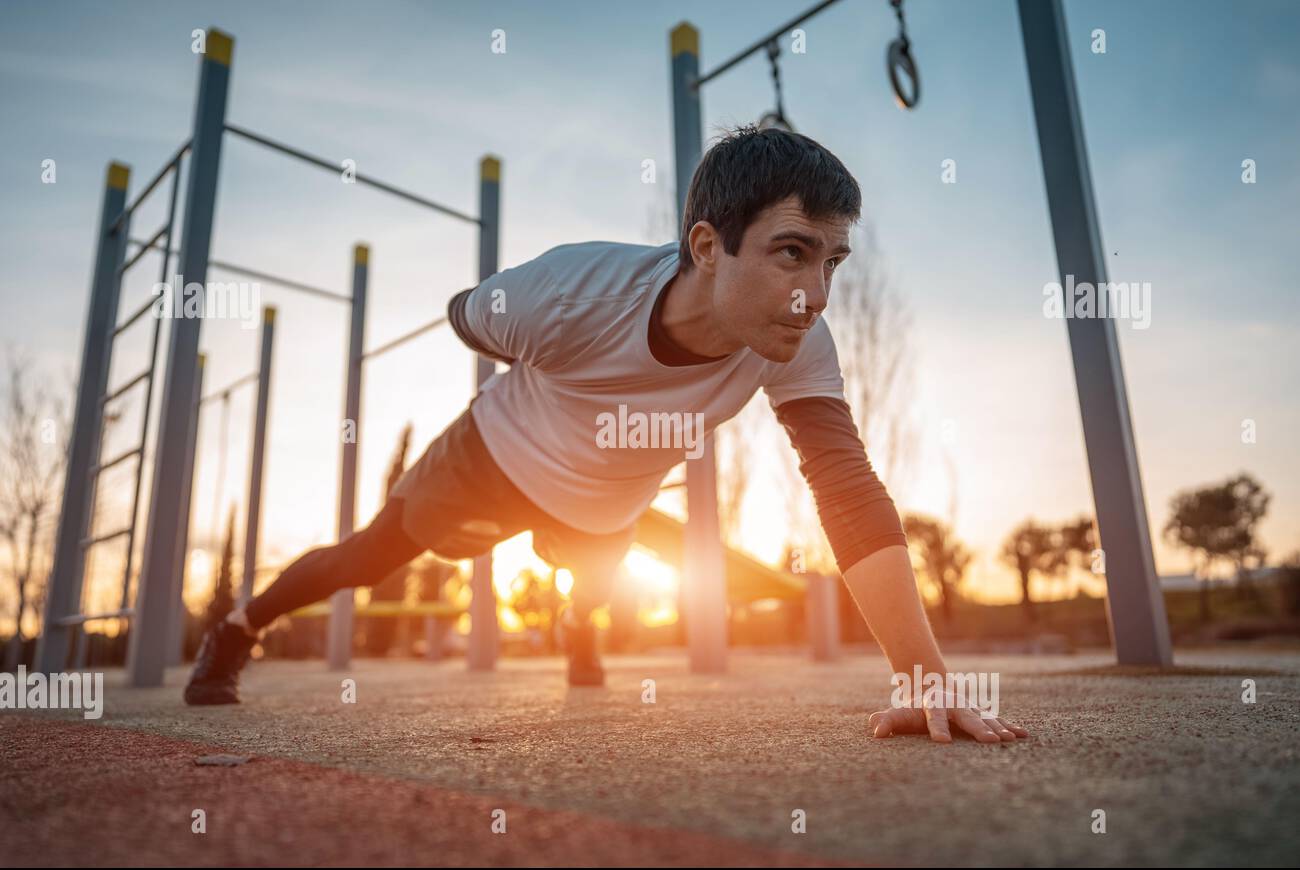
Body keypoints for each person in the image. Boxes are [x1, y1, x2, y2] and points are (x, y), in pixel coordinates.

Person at [184, 125, 1029, 745]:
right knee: (367, 559)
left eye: (832, 263)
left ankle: (578, 634)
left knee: (594, 586)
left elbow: (845, 486)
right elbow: (465, 317)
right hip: (496, 456)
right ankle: (238, 629)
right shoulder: (570, 292)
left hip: (607, 500)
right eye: (791, 254)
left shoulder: (798, 342)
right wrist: (510, 339)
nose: (817, 294)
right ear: (707, 245)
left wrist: (923, 677)